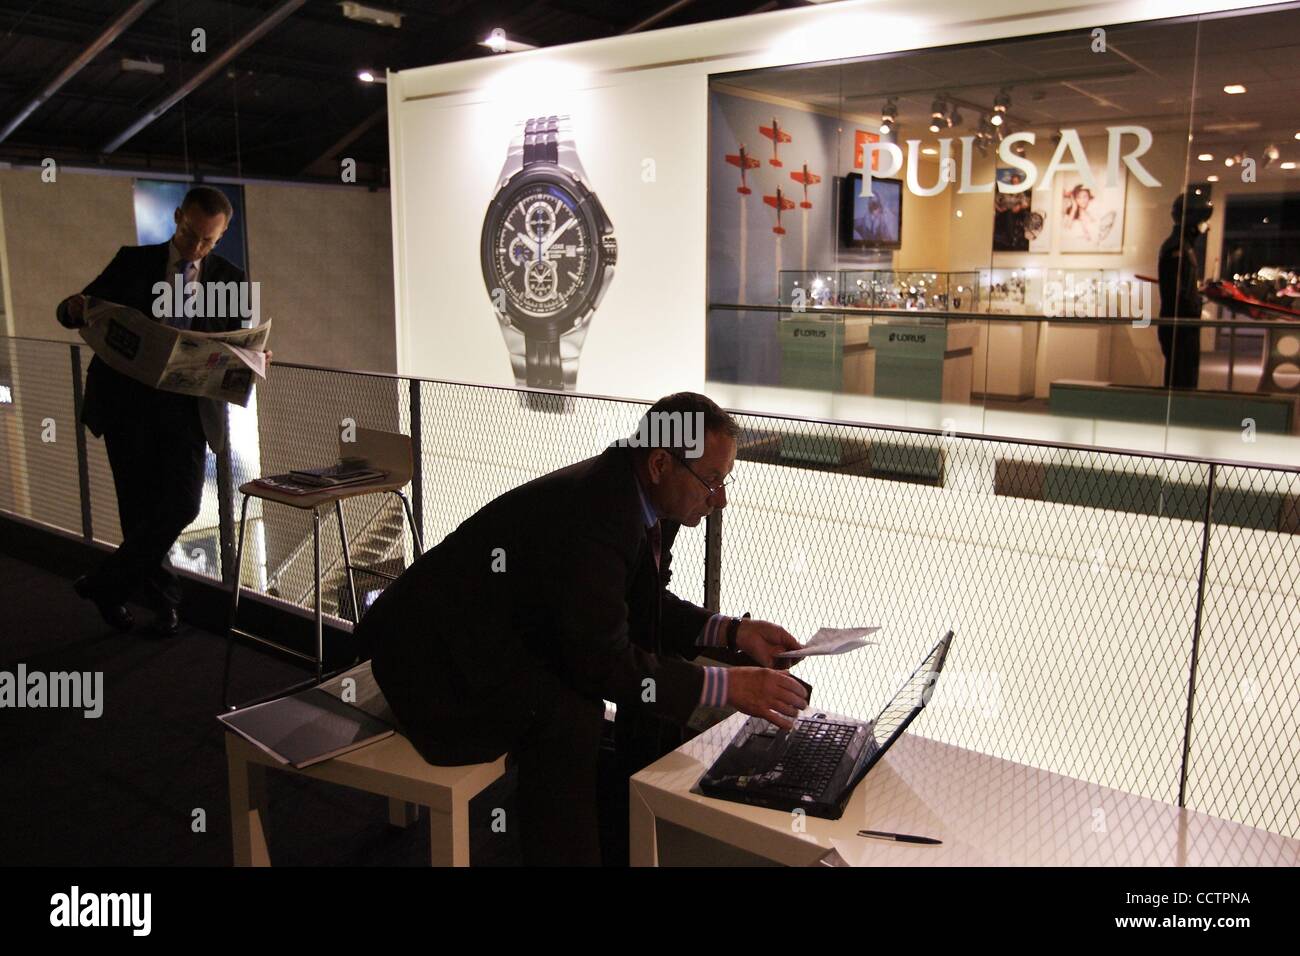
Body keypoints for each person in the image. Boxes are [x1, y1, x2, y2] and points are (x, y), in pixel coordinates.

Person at [357, 392, 808, 865]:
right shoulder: (597, 513)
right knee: (571, 712)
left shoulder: (644, 496)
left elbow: (644, 608)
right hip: (431, 663)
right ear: (659, 463)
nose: (721, 499)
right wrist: (725, 685)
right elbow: (601, 661)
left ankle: (626, 829)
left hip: (490, 635)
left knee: (632, 679)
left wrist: (734, 632)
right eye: (712, 480)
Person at [56, 186, 266, 636]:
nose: (195, 247)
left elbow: (233, 342)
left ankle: (107, 584)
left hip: (187, 410)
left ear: (222, 235)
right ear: (176, 217)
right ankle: (162, 604)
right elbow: (77, 312)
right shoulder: (133, 262)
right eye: (190, 233)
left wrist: (254, 358)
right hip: (126, 404)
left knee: (183, 504)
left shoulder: (231, 278)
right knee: (139, 512)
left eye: (208, 240)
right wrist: (72, 308)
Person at [1157, 192, 1212, 390]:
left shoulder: (1182, 246)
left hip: (1183, 324)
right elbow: (1177, 294)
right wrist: (1195, 306)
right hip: (1179, 325)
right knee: (1181, 380)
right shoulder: (1177, 248)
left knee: (1185, 378)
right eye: (1203, 221)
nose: (1205, 227)